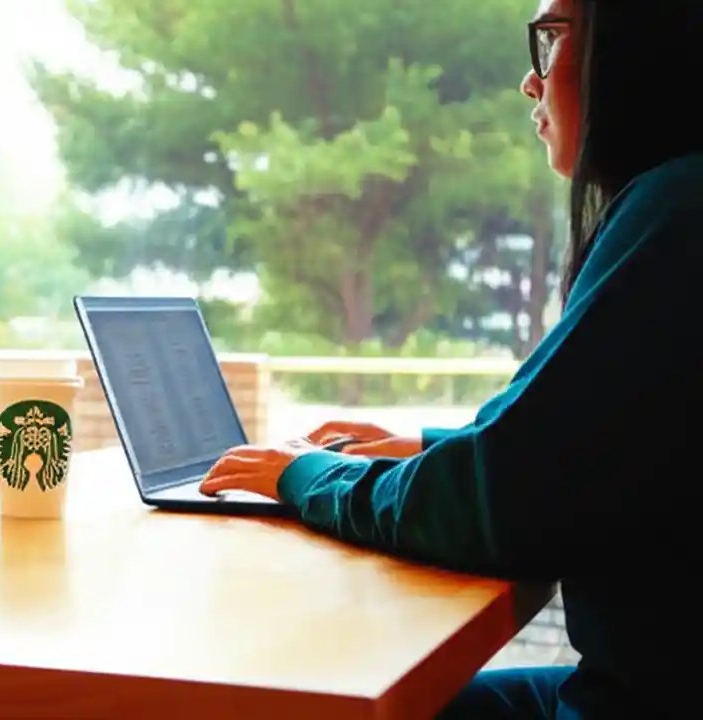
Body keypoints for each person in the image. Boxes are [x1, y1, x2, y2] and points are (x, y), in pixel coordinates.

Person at [200, 0, 702, 717]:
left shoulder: (678, 210)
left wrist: (305, 476)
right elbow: (576, 456)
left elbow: (503, 504)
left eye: (553, 37)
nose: (531, 82)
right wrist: (431, 449)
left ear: (635, 45)